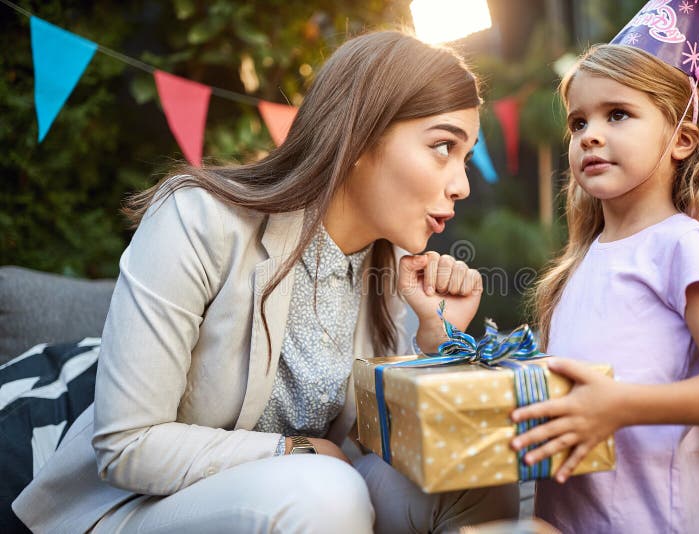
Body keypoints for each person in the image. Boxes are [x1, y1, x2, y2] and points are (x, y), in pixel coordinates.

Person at [12, 30, 520, 533]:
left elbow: (376, 447)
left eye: (466, 157)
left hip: (306, 501)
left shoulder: (390, 268)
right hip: (140, 506)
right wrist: (295, 451)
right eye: (442, 147)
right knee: (325, 493)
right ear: (362, 135)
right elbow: (128, 444)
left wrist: (436, 342)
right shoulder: (197, 220)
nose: (461, 185)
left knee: (477, 472)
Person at [509, 4, 699, 532]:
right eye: (578, 122)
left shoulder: (682, 246)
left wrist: (619, 406)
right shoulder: (581, 260)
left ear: (681, 139)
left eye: (617, 114)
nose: (589, 135)